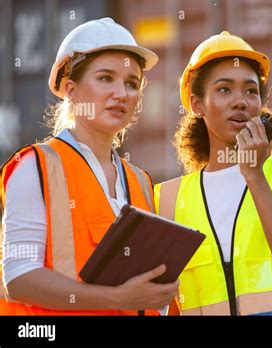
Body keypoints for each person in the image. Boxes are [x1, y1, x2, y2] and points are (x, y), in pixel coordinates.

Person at [0, 18, 179, 315]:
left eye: (132, 83)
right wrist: (120, 299)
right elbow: (18, 277)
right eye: (106, 78)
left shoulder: (140, 181)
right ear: (71, 89)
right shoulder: (35, 167)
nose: (121, 93)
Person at [154, 31, 272, 315]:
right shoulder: (166, 199)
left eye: (251, 91)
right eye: (224, 89)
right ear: (196, 104)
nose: (241, 101)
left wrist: (254, 175)